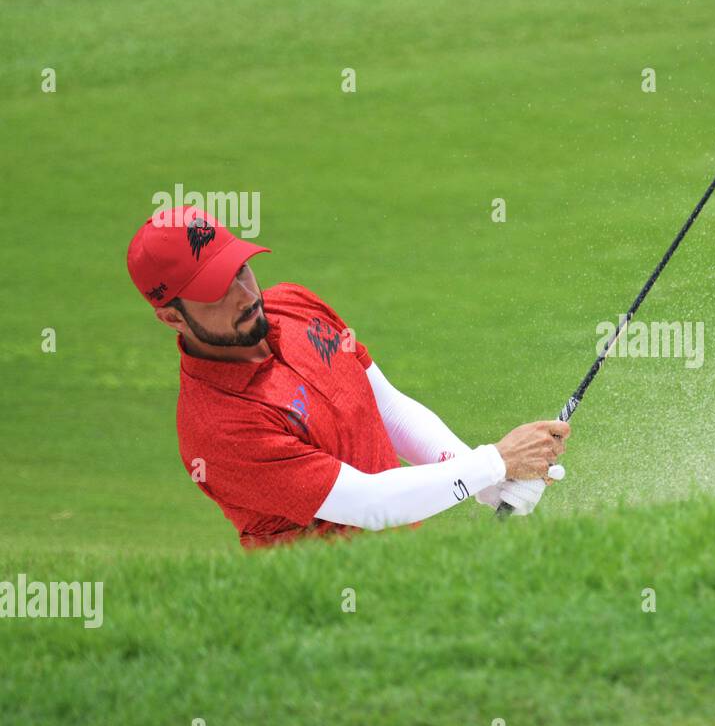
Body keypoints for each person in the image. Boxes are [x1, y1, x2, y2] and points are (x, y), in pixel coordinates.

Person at [126, 206, 567, 548]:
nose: (245, 296)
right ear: (171, 317)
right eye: (215, 292)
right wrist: (494, 462)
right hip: (326, 615)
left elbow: (387, 409)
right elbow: (370, 505)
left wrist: (481, 477)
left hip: (402, 564)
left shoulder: (294, 304)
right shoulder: (217, 428)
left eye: (240, 270)